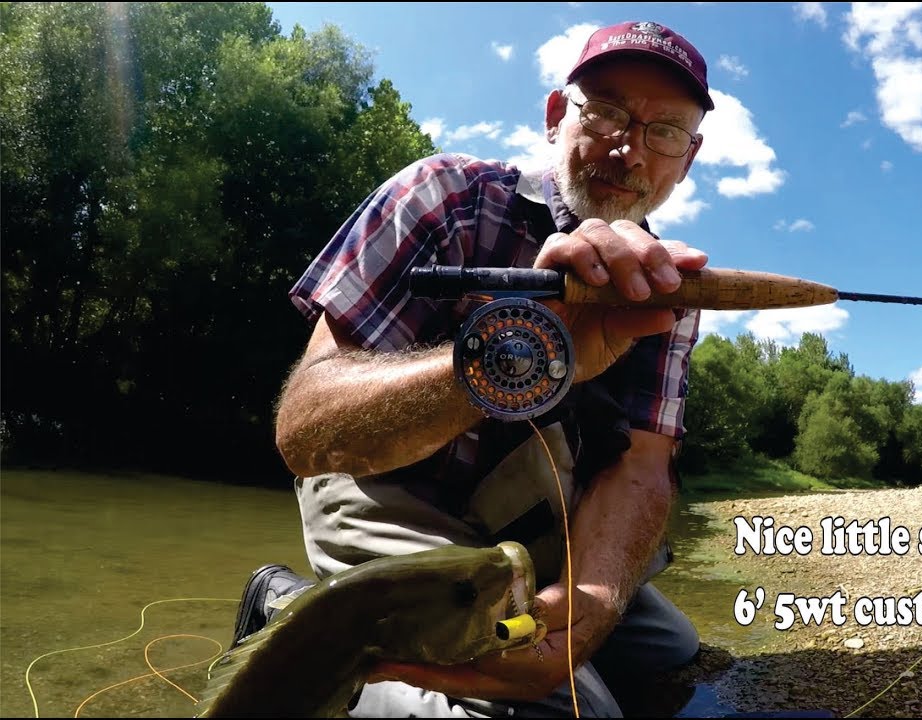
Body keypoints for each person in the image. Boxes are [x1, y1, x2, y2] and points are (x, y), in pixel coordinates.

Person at [236, 19, 716, 718]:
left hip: (522, 529)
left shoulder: (674, 290)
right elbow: (306, 432)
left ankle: (327, 620)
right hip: (388, 488)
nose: (628, 149)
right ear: (557, 116)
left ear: (688, 157)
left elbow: (641, 467)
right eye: (608, 110)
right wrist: (519, 354)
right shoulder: (443, 196)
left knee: (666, 654)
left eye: (664, 130)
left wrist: (596, 602)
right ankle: (299, 620)